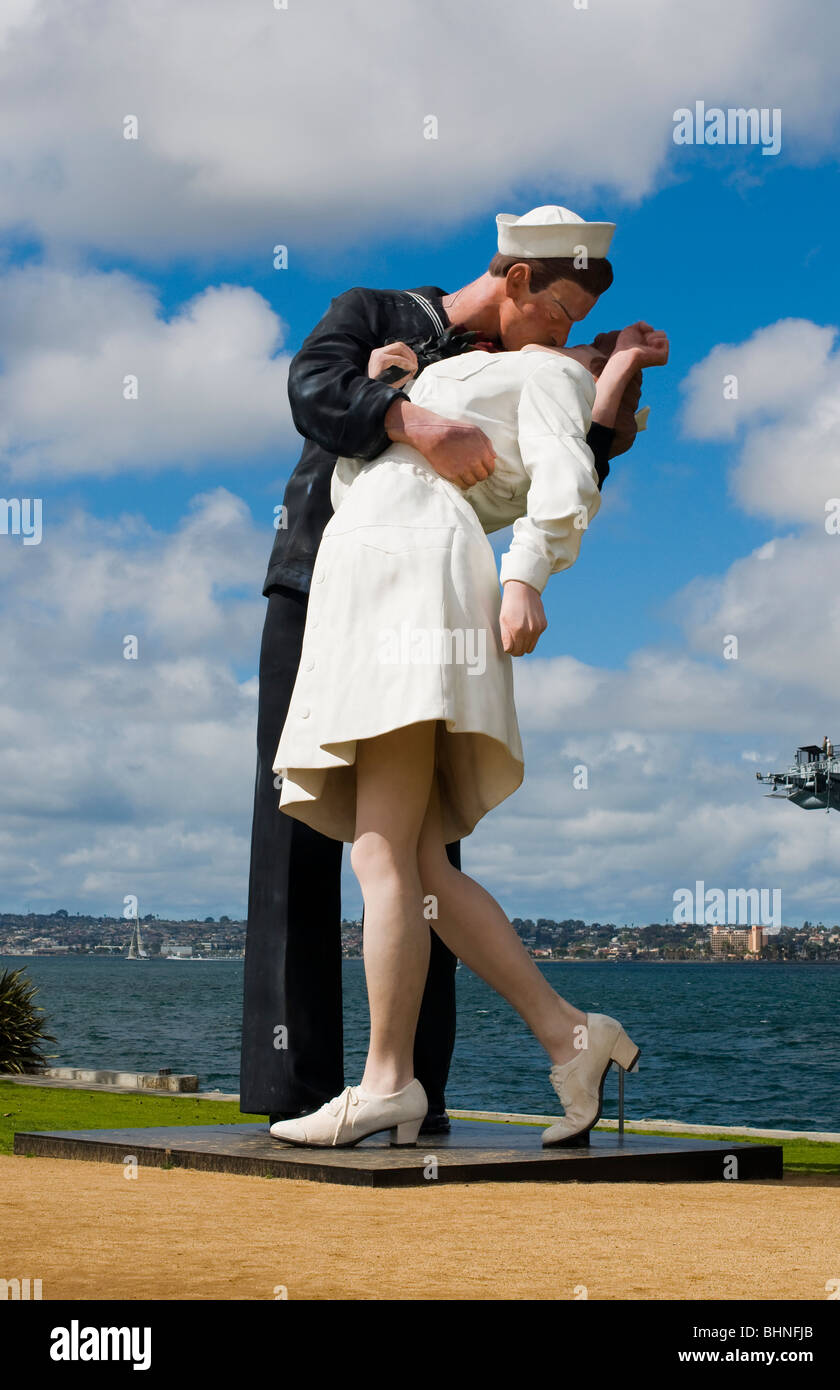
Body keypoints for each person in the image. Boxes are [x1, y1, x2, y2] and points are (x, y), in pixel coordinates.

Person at [241, 205, 621, 1131]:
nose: (564, 334)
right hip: (343, 583)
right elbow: (316, 393)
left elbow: (567, 471)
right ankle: (565, 1035)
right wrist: (397, 396)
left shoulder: (535, 368)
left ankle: (390, 1084)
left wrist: (525, 576)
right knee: (407, 861)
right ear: (517, 280)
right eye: (559, 311)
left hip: (406, 578)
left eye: (579, 326)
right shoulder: (397, 326)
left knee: (386, 852)